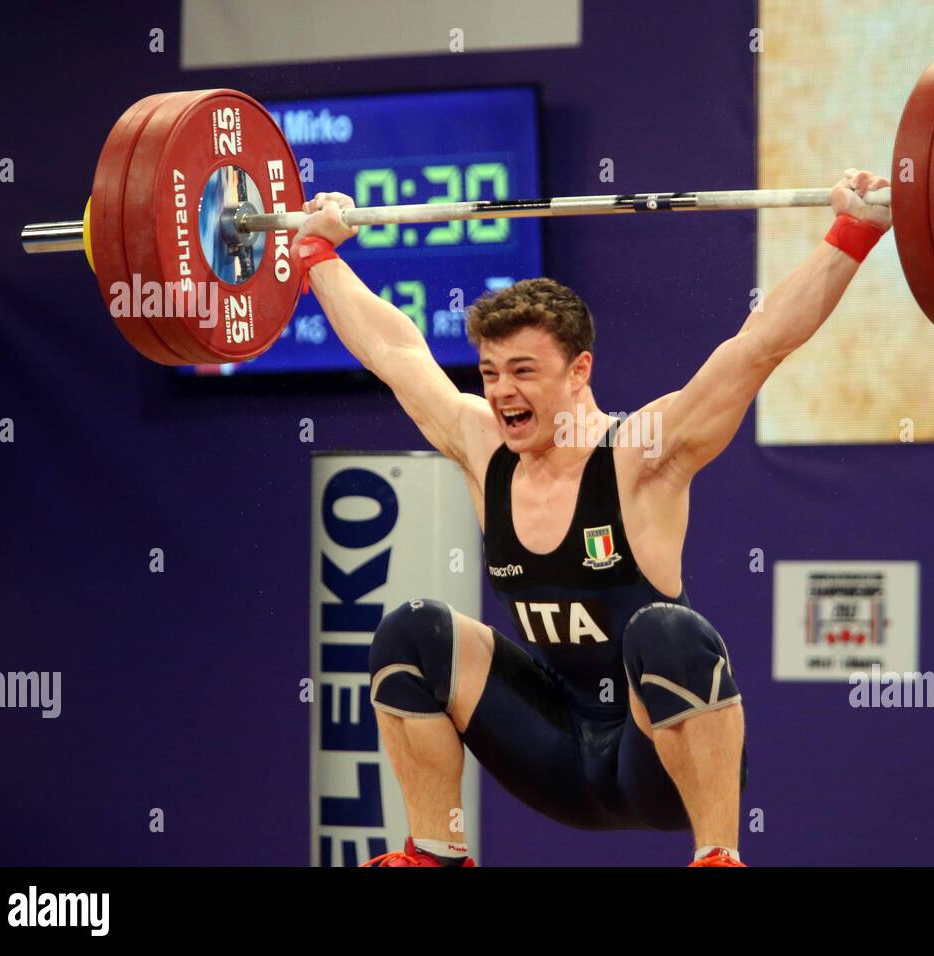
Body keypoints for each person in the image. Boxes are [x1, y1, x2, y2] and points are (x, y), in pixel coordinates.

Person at [290, 169, 891, 866]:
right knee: (411, 633)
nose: (502, 392)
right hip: (557, 757)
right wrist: (318, 258)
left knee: (667, 630)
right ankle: (435, 853)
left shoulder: (643, 452)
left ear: (580, 371)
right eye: (489, 373)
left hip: (659, 761)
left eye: (523, 371)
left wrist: (854, 232)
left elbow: (758, 348)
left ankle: (718, 856)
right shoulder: (483, 444)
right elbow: (396, 354)